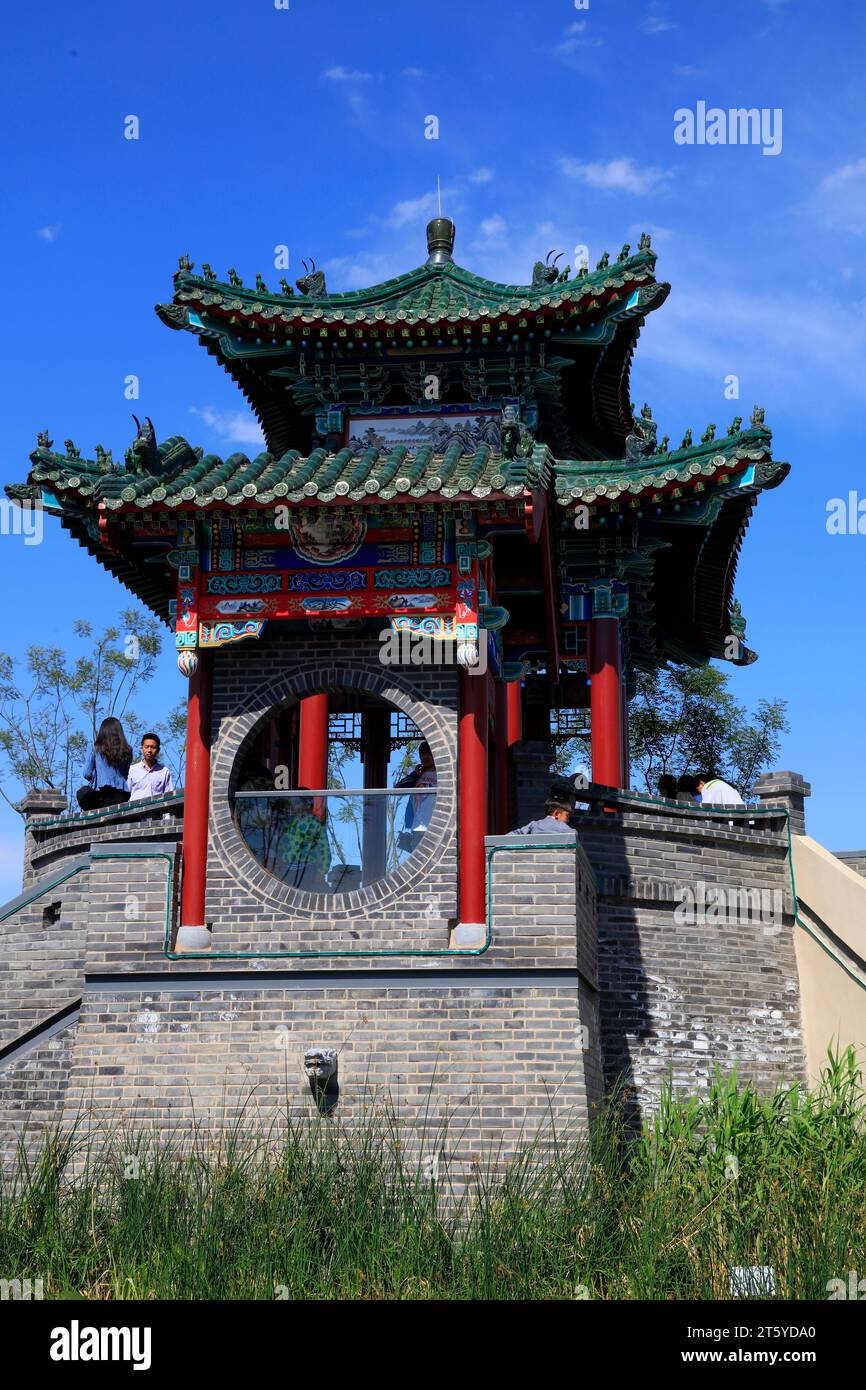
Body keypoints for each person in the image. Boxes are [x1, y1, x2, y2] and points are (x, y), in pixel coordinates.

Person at [76, 716, 133, 811]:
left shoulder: (94, 748)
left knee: (82, 793)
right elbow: (125, 775)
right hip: (122, 795)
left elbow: (87, 774)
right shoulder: (128, 750)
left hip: (102, 795)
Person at [277, 792, 331, 890]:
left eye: (297, 803)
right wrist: (283, 858)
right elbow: (284, 844)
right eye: (292, 803)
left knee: (301, 896)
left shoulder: (314, 823)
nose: (293, 806)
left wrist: (322, 870)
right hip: (290, 867)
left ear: (307, 804)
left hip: (307, 867)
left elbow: (324, 847)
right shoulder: (291, 824)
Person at [397, 741, 437, 842]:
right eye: (423, 754)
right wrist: (414, 775)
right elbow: (397, 789)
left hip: (438, 826)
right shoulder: (417, 775)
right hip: (418, 827)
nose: (425, 757)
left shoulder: (442, 775)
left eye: (429, 753)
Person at [126, 733, 175, 802]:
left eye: (153, 747)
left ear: (158, 750)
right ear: (142, 749)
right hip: (136, 811)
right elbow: (126, 795)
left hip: (157, 811)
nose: (149, 750)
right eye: (147, 747)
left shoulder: (164, 771)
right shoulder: (132, 770)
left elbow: (169, 796)